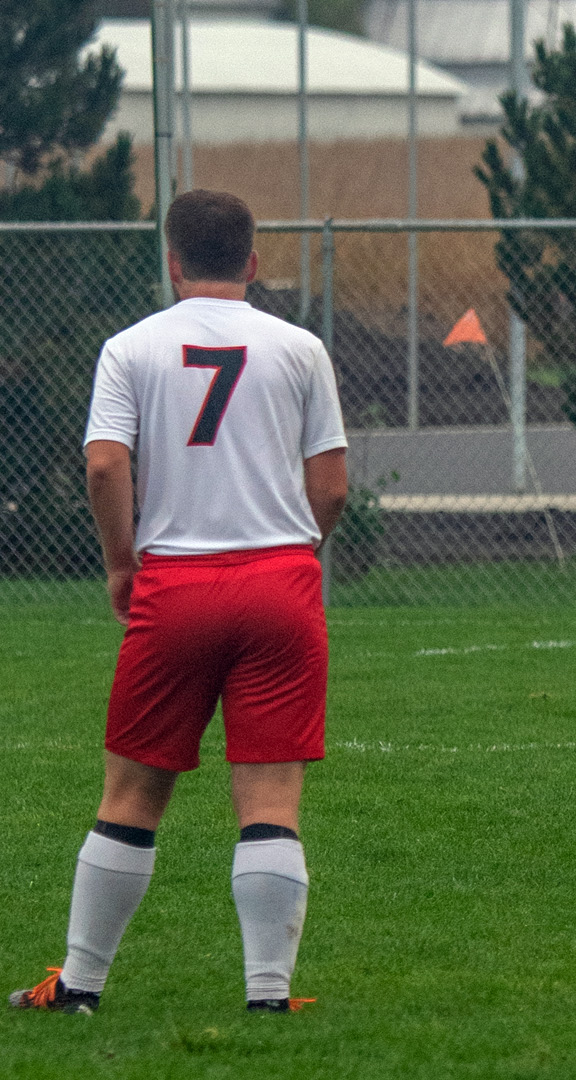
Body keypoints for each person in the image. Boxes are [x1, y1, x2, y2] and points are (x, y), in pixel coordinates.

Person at [9, 190, 348, 1013]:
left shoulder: (130, 348)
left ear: (172, 261)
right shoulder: (300, 347)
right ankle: (268, 998)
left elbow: (102, 466)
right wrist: (292, 556)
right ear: (254, 261)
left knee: (131, 794)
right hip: (279, 583)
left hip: (176, 585)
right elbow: (332, 486)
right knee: (270, 803)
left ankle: (80, 986)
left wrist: (121, 563)